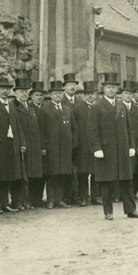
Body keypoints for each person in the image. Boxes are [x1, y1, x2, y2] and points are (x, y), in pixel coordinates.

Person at [86, 72, 138, 221]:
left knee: (126, 180)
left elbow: (129, 128)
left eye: (114, 87)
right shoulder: (97, 107)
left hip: (122, 149)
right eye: (108, 87)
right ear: (104, 89)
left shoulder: (121, 106)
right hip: (106, 150)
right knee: (106, 181)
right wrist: (96, 148)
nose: (111, 90)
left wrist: (131, 145)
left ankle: (131, 210)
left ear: (117, 90)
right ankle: (108, 212)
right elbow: (92, 131)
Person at [0, 77, 25, 212]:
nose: (5, 91)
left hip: (13, 145)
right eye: (2, 89)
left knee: (12, 176)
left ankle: (9, 203)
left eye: (7, 89)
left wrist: (22, 143)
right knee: (1, 177)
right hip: (1, 146)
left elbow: (17, 126)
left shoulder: (12, 106)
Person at [39, 79, 75, 208]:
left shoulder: (68, 110)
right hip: (51, 148)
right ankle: (50, 200)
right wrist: (43, 147)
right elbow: (41, 130)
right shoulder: (44, 110)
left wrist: (72, 144)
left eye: (60, 93)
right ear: (51, 94)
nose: (58, 95)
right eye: (55, 93)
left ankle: (59, 199)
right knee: (51, 175)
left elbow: (73, 128)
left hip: (65, 148)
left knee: (62, 174)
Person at [72, 80, 97, 205]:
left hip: (96, 145)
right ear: (84, 95)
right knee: (82, 173)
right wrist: (76, 145)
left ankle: (95, 196)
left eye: (92, 93)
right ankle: (82, 197)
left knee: (96, 172)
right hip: (82, 146)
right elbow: (74, 128)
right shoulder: (77, 109)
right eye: (87, 94)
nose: (90, 96)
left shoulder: (100, 107)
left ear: (96, 94)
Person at [21, 81, 46, 208]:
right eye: (37, 95)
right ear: (32, 96)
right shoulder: (29, 108)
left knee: (39, 173)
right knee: (29, 173)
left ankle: (38, 198)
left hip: (39, 145)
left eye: (41, 95)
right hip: (28, 145)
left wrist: (43, 146)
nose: (39, 97)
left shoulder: (44, 107)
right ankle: (28, 199)